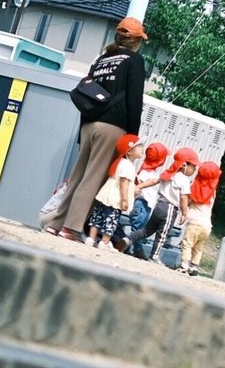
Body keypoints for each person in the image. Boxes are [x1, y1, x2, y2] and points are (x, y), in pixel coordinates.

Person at [43, 17, 148, 241]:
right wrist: (133, 136)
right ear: (137, 41)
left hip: (89, 123)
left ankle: (56, 223)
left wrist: (83, 129)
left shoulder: (102, 59)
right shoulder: (134, 60)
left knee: (78, 176)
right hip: (113, 125)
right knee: (94, 177)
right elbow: (134, 100)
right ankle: (71, 228)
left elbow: (87, 93)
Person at [117, 147, 197, 260]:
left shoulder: (168, 174)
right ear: (184, 165)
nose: (195, 169)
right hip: (170, 208)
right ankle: (154, 256)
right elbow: (184, 198)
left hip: (158, 206)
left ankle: (127, 239)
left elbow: (153, 181)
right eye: (193, 166)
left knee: (146, 230)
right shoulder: (184, 180)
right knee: (162, 235)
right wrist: (184, 213)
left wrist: (139, 186)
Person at [83, 135, 142, 248]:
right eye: (139, 146)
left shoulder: (120, 162)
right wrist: (124, 200)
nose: (142, 148)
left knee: (98, 217)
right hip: (115, 198)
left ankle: (91, 239)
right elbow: (123, 183)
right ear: (129, 151)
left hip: (105, 195)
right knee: (111, 220)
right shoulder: (128, 166)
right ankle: (104, 242)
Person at [177, 161, 220, 276]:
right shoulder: (213, 191)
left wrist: (183, 210)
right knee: (198, 247)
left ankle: (184, 265)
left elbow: (189, 201)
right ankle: (194, 267)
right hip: (207, 225)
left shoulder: (196, 188)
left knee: (187, 244)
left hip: (194, 222)